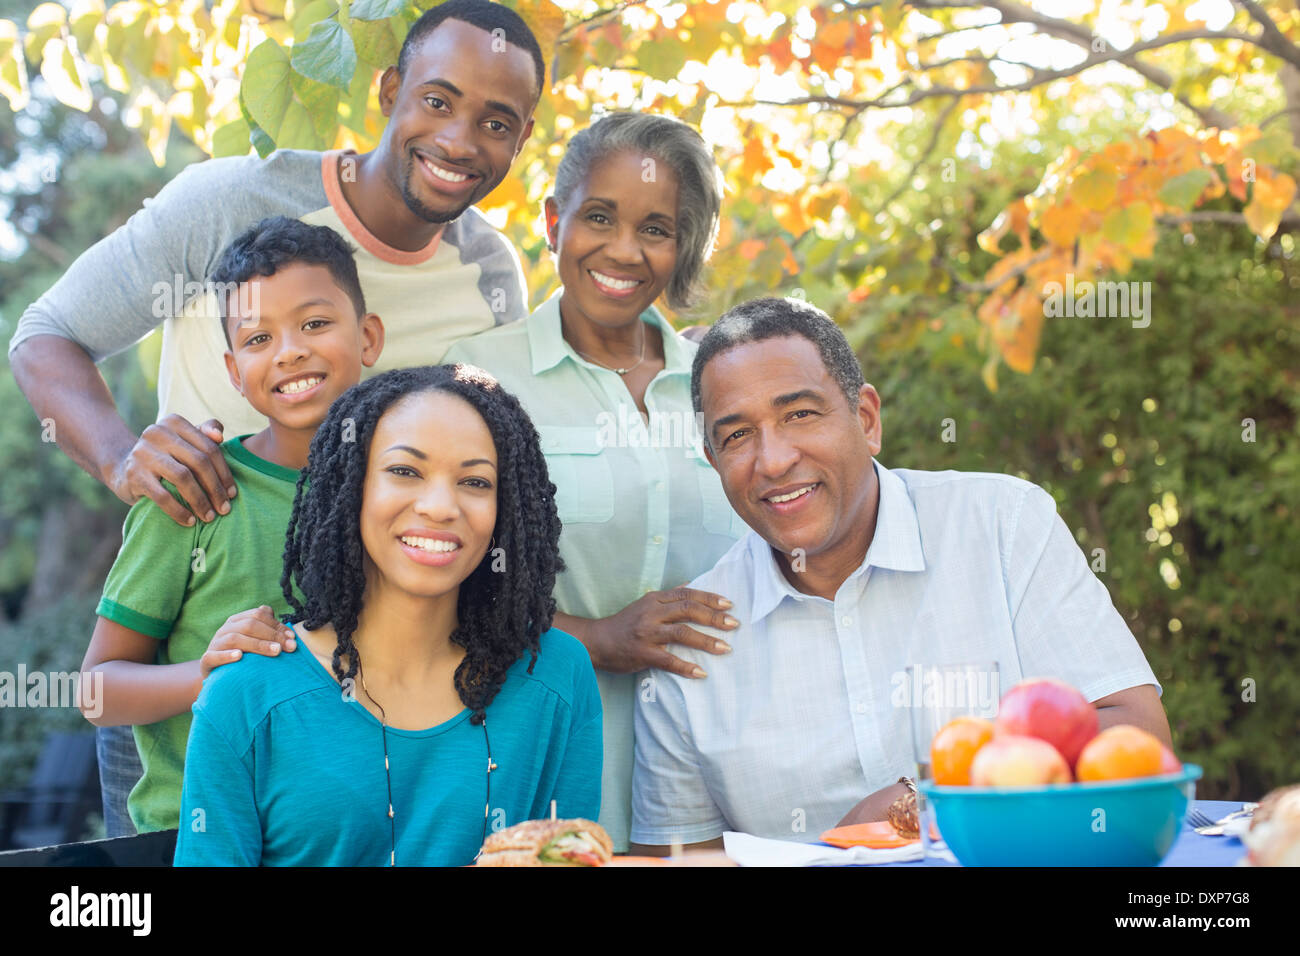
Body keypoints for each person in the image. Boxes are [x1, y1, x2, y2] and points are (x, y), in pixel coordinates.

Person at [15, 0, 543, 836]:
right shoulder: (233, 200)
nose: (459, 140)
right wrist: (122, 460)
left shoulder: (487, 273)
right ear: (389, 89)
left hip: (361, 715)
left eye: (496, 121)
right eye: (437, 101)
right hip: (187, 687)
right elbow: (47, 335)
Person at [629, 296, 1172, 852]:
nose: (772, 460)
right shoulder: (690, 637)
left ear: (866, 420)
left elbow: (1134, 733)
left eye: (800, 414)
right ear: (712, 457)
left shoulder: (1002, 525)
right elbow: (677, 858)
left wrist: (922, 797)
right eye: (737, 435)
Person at [444, 112, 749, 852]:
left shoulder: (723, 385)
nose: (623, 250)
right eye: (599, 217)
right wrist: (595, 638)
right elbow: (430, 582)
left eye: (656, 228)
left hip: (723, 774)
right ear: (554, 222)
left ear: (683, 249)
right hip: (542, 763)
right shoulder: (478, 376)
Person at [173, 365, 602, 865]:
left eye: (475, 481)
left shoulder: (556, 675)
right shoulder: (246, 696)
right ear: (351, 487)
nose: (441, 506)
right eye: (404, 471)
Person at [78, 216, 385, 833]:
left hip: (347, 834)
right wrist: (209, 674)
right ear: (232, 369)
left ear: (369, 338)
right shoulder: (191, 497)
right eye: (257, 338)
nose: (290, 350)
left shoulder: (402, 495)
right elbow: (96, 691)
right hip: (199, 833)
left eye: (315, 324)